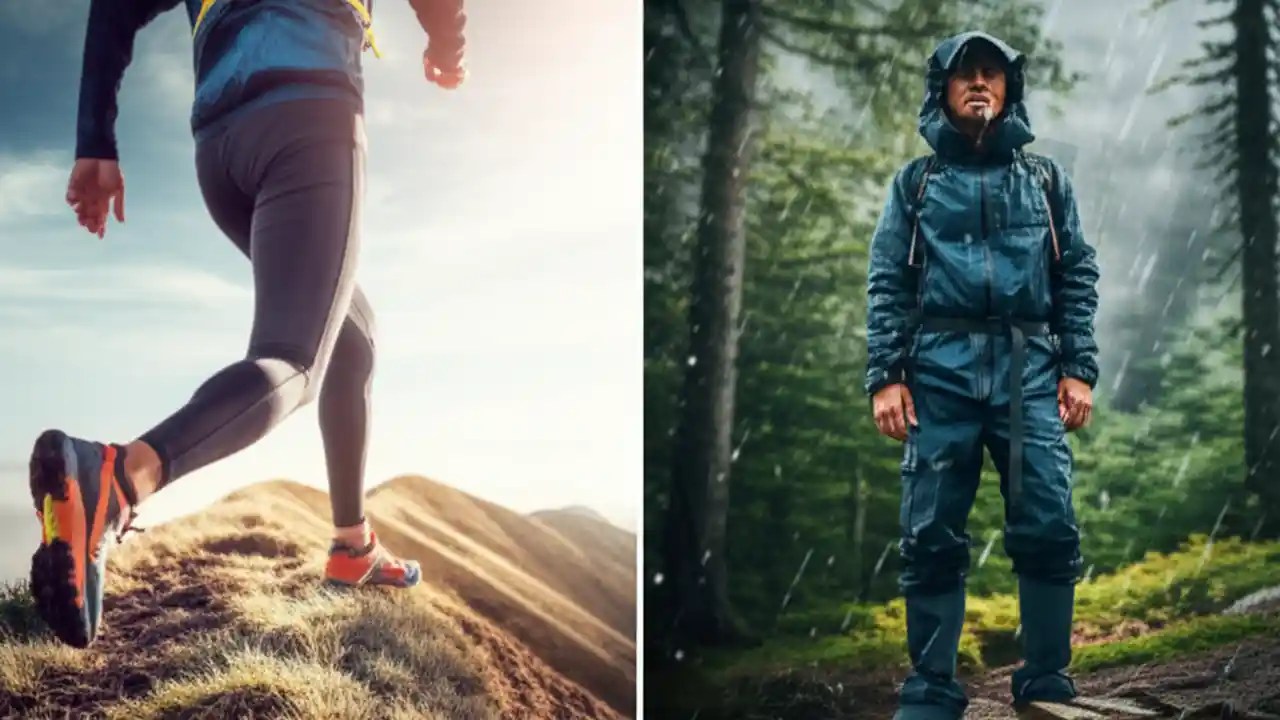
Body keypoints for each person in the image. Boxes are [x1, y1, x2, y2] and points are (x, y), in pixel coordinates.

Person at [29, 0, 467, 649]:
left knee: (351, 337)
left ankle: (352, 545)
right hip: (309, 117)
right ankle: (117, 479)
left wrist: (95, 141)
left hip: (221, 149)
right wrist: (446, 48)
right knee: (293, 359)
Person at [863, 31, 1100, 719]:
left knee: (1050, 519)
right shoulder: (916, 183)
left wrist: (1078, 368)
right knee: (931, 530)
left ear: (1009, 89)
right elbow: (888, 283)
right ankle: (932, 689)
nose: (979, 83)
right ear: (942, 88)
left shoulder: (1047, 180)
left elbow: (1076, 274)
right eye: (966, 73)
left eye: (992, 73)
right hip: (939, 370)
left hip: (1031, 367)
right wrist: (887, 375)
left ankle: (1047, 681)